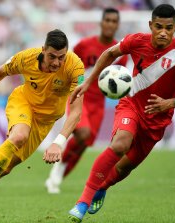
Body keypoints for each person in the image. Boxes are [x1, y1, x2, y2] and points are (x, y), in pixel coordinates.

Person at [67, 4, 175, 222]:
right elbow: (110, 53)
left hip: (157, 122)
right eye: (158, 26)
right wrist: (89, 81)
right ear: (151, 25)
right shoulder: (136, 41)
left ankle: (102, 188)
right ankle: (82, 203)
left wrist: (169, 103)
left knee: (123, 168)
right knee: (120, 144)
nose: (163, 32)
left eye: (168, 27)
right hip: (131, 105)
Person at [0, 29, 85, 223]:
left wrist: (58, 142)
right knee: (19, 136)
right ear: (43, 50)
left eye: (61, 57)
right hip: (23, 102)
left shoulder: (75, 66)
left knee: (7, 166)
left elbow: (76, 111)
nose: (56, 62)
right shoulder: (26, 58)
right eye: (52, 56)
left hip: (45, 121)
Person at [45, 7, 128, 194]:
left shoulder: (120, 53)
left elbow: (116, 82)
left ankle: (58, 175)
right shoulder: (84, 45)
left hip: (99, 103)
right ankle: (58, 166)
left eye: (114, 21)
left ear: (117, 25)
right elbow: (67, 67)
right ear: (101, 23)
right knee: (82, 134)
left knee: (83, 145)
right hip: (79, 96)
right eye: (107, 20)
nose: (110, 24)